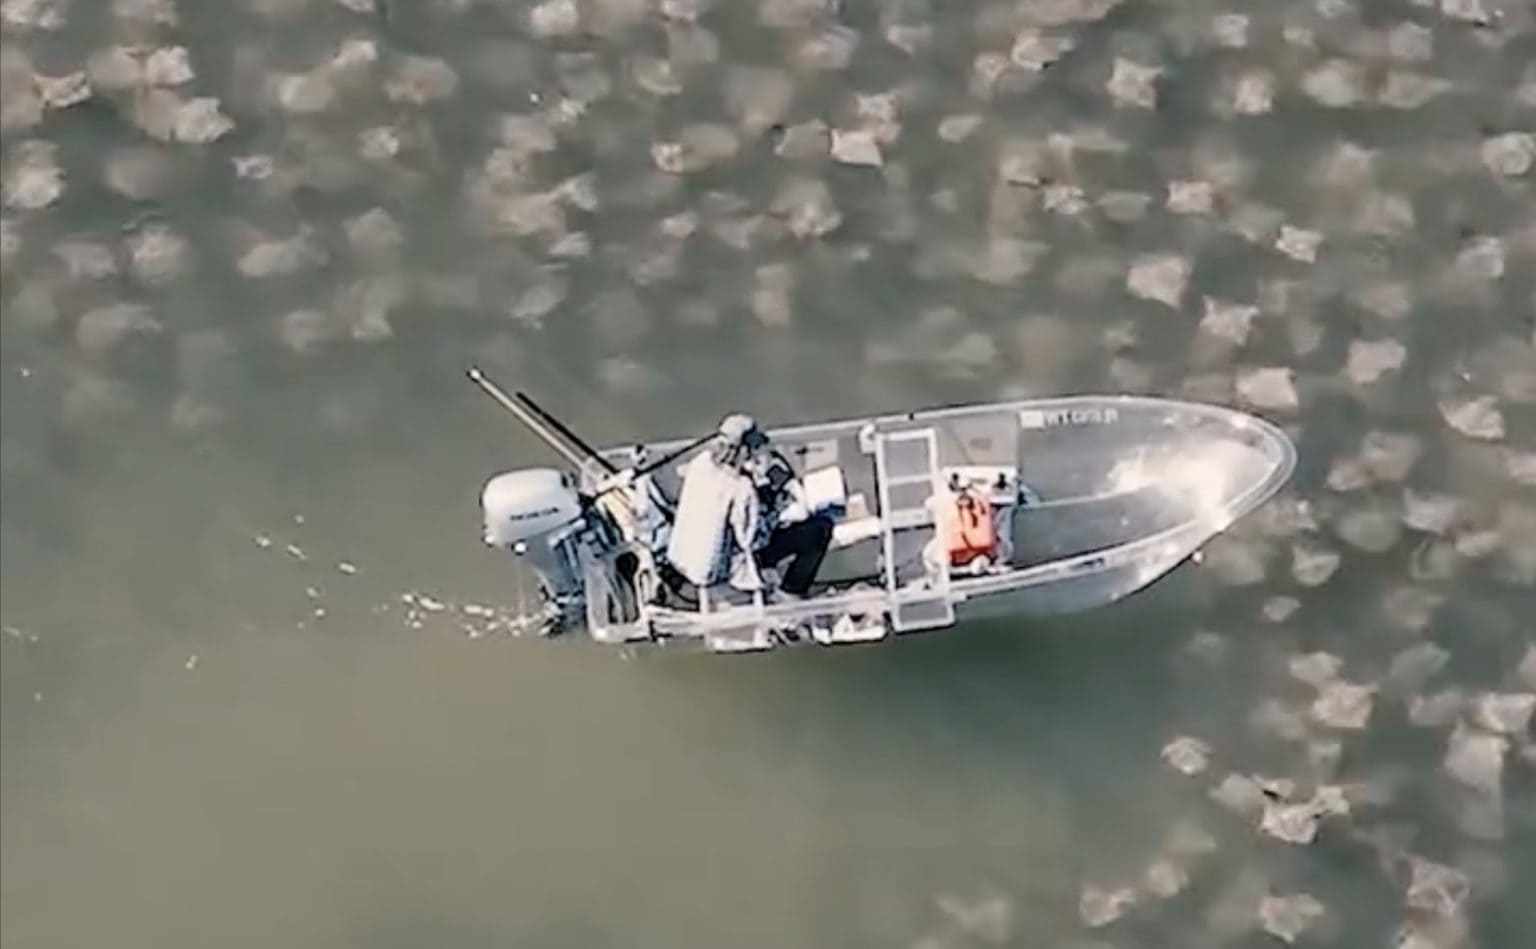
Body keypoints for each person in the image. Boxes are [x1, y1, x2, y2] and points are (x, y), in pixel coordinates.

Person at [663, 413, 833, 601]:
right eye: (752, 448)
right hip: (713, 572)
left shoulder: (699, 463)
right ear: (743, 449)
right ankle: (789, 594)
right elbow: (753, 541)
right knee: (819, 529)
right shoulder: (740, 487)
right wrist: (778, 508)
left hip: (681, 558)